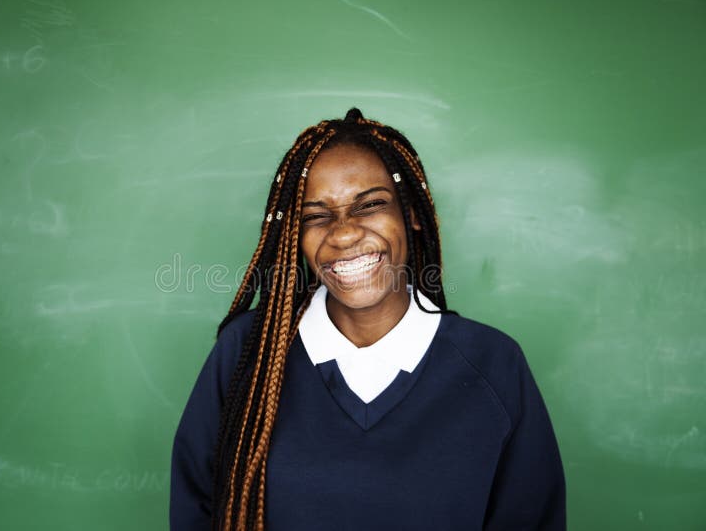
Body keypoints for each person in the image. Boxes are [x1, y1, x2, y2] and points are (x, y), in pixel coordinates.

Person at [170, 109, 566, 530]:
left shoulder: (493, 365)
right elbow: (198, 507)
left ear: (411, 212)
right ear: (294, 236)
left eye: (370, 205)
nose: (343, 234)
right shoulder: (246, 354)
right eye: (316, 216)